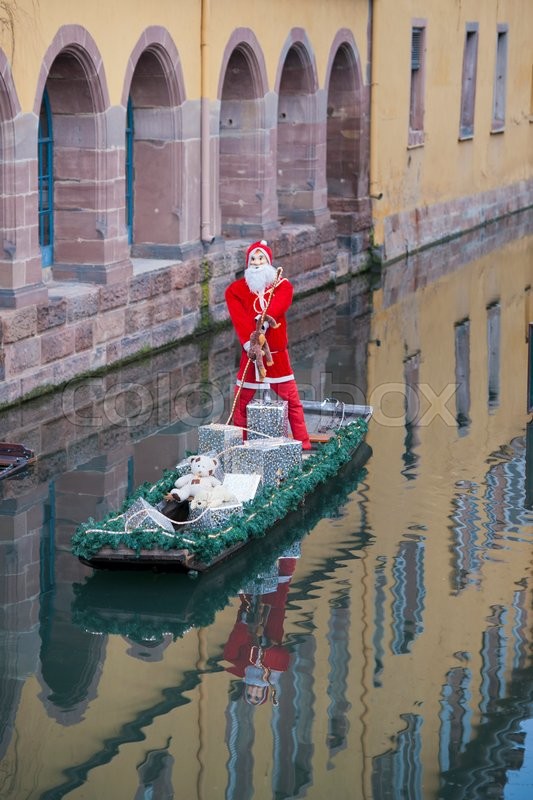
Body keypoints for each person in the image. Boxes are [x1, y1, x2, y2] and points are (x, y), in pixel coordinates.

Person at [225, 240, 312, 450]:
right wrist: (250, 342)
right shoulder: (235, 291)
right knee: (241, 402)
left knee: (291, 400)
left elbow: (279, 304)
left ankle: (303, 443)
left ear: (268, 261)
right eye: (253, 259)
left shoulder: (282, 286)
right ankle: (241, 444)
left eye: (261, 258)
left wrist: (265, 318)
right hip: (251, 354)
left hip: (276, 354)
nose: (256, 262)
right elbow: (239, 319)